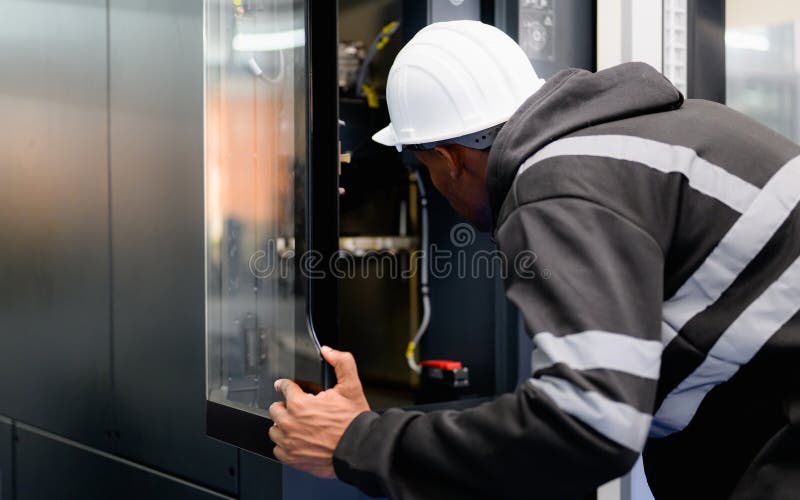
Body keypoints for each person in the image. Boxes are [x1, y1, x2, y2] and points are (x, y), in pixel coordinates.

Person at [268, 20, 800, 499]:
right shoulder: (652, 134)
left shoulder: (559, 184)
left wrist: (358, 442)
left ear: (447, 160)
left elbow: (589, 424)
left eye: (421, 164)